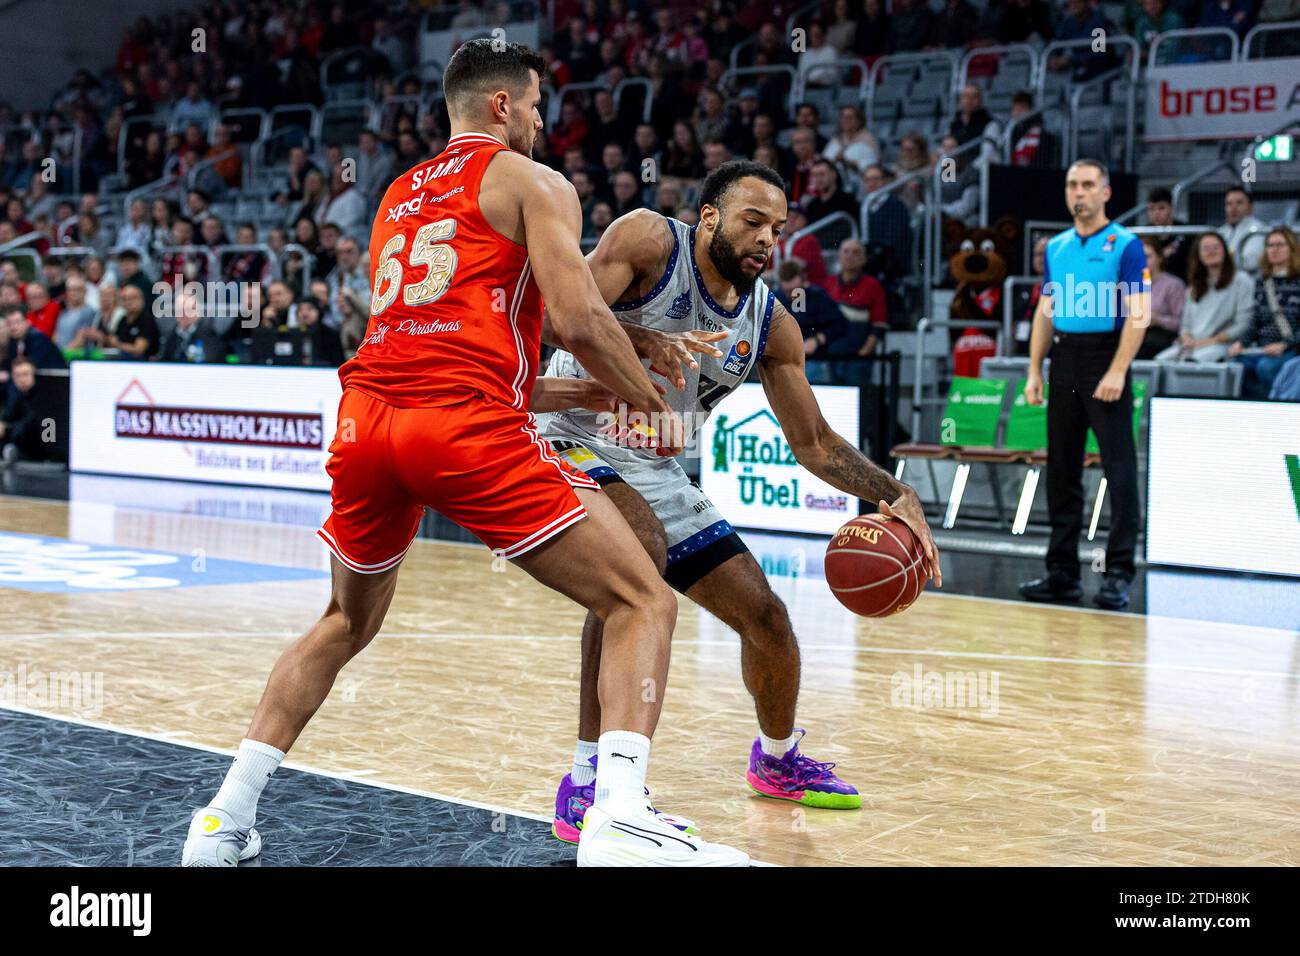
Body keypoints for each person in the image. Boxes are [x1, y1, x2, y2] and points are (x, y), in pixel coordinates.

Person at [181, 39, 747, 868]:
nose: (545, 123)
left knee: (343, 621)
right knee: (640, 599)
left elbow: (462, 350)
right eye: (539, 106)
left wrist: (592, 384)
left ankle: (222, 820)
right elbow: (578, 320)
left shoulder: (398, 194)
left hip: (369, 422)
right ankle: (622, 817)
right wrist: (648, 399)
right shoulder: (533, 182)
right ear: (502, 106)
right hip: (459, 429)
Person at [538, 161, 939, 838]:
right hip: (571, 431)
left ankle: (777, 761)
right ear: (711, 217)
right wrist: (640, 340)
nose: (766, 239)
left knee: (769, 619)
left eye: (778, 228)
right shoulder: (647, 243)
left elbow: (813, 442)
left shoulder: (769, 324)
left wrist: (895, 493)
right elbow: (554, 319)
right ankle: (585, 781)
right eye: (753, 221)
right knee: (637, 564)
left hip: (655, 465)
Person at [1020, 159, 1150, 611]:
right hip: (1066, 357)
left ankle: (1118, 574)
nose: (1080, 192)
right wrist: (1035, 369)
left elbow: (1139, 313)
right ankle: (1062, 573)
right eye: (1073, 184)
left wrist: (1117, 370)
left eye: (1089, 184)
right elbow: (1045, 311)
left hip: (1105, 355)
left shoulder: (1127, 245)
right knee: (1062, 470)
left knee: (1119, 470)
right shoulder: (1056, 247)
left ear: (1106, 193)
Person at [1154, 232, 1251, 363]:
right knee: (1158, 362)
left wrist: (1209, 341)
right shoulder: (1194, 286)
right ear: (1198, 255)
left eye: (1216, 247)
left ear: (1225, 251)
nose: (1211, 251)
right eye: (1206, 248)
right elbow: (1185, 325)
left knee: (1193, 363)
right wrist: (1186, 337)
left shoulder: (1242, 280)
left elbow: (1243, 324)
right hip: (1192, 345)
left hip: (1222, 345)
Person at [1229, 227, 1300, 397]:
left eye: (1280, 245)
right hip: (1262, 347)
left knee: (1265, 367)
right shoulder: (1262, 282)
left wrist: (1285, 345)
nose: (1274, 249)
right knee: (1235, 366)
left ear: (1292, 249)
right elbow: (1255, 320)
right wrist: (1241, 343)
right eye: (1270, 245)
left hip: (1292, 347)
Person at [1135, 238, 1186, 359]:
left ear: (1159, 258)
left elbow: (1182, 323)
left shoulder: (1174, 285)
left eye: (1148, 256)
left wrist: (1158, 320)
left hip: (1161, 336)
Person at [1218, 186, 1266, 275]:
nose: (1233, 208)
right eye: (1229, 204)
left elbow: (1251, 262)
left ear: (1250, 207)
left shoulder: (1258, 230)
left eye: (1239, 203)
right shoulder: (1221, 231)